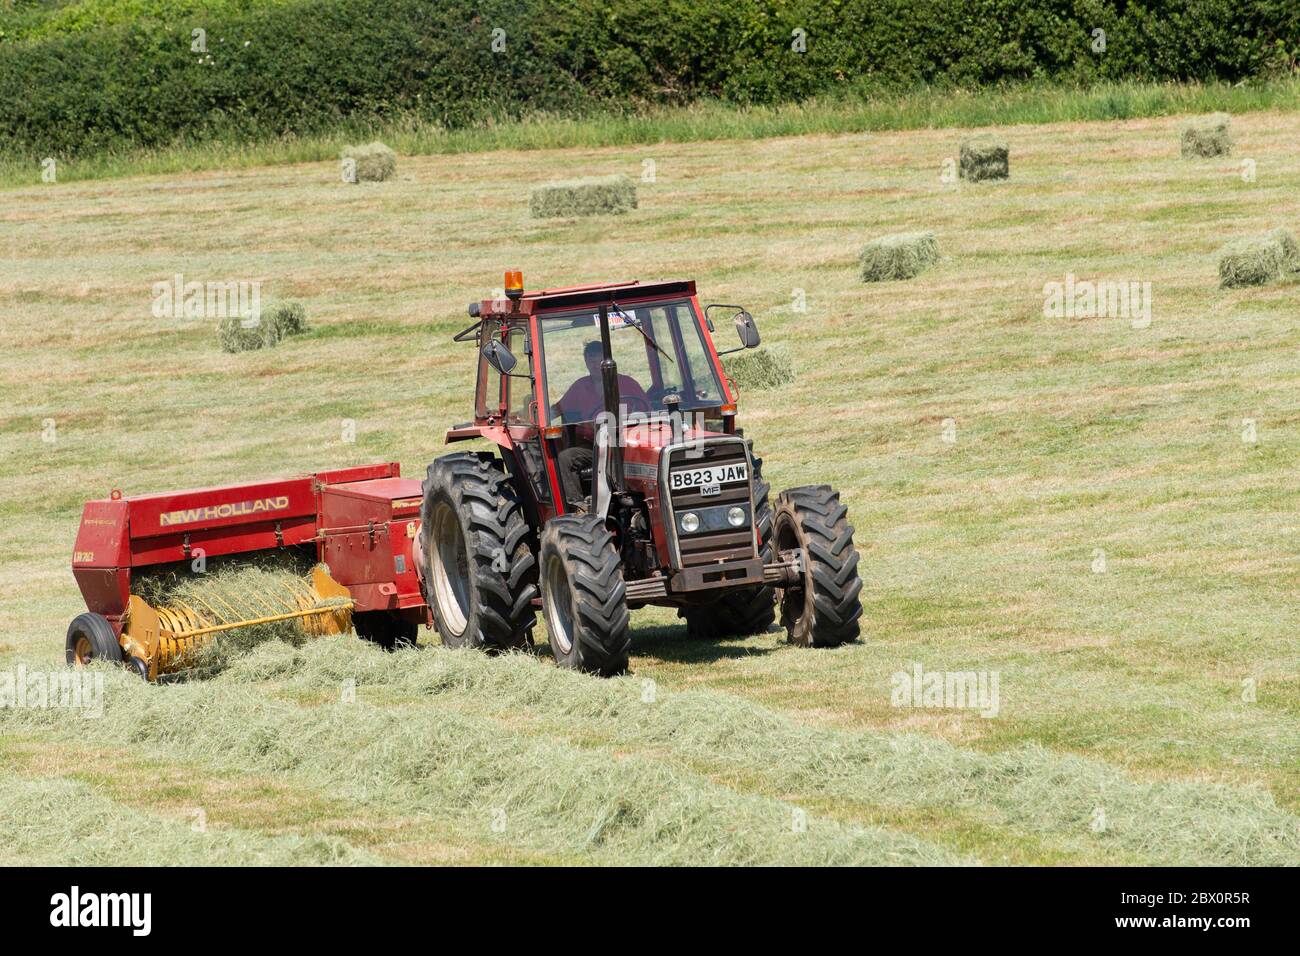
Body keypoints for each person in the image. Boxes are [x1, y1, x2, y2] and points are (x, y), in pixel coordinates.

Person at [555, 339, 648, 507]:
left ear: (606, 361)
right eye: (589, 359)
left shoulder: (628, 384)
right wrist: (531, 412)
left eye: (596, 359)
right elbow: (557, 410)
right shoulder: (580, 387)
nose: (592, 363)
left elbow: (648, 411)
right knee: (565, 458)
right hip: (596, 448)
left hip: (629, 447)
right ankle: (578, 507)